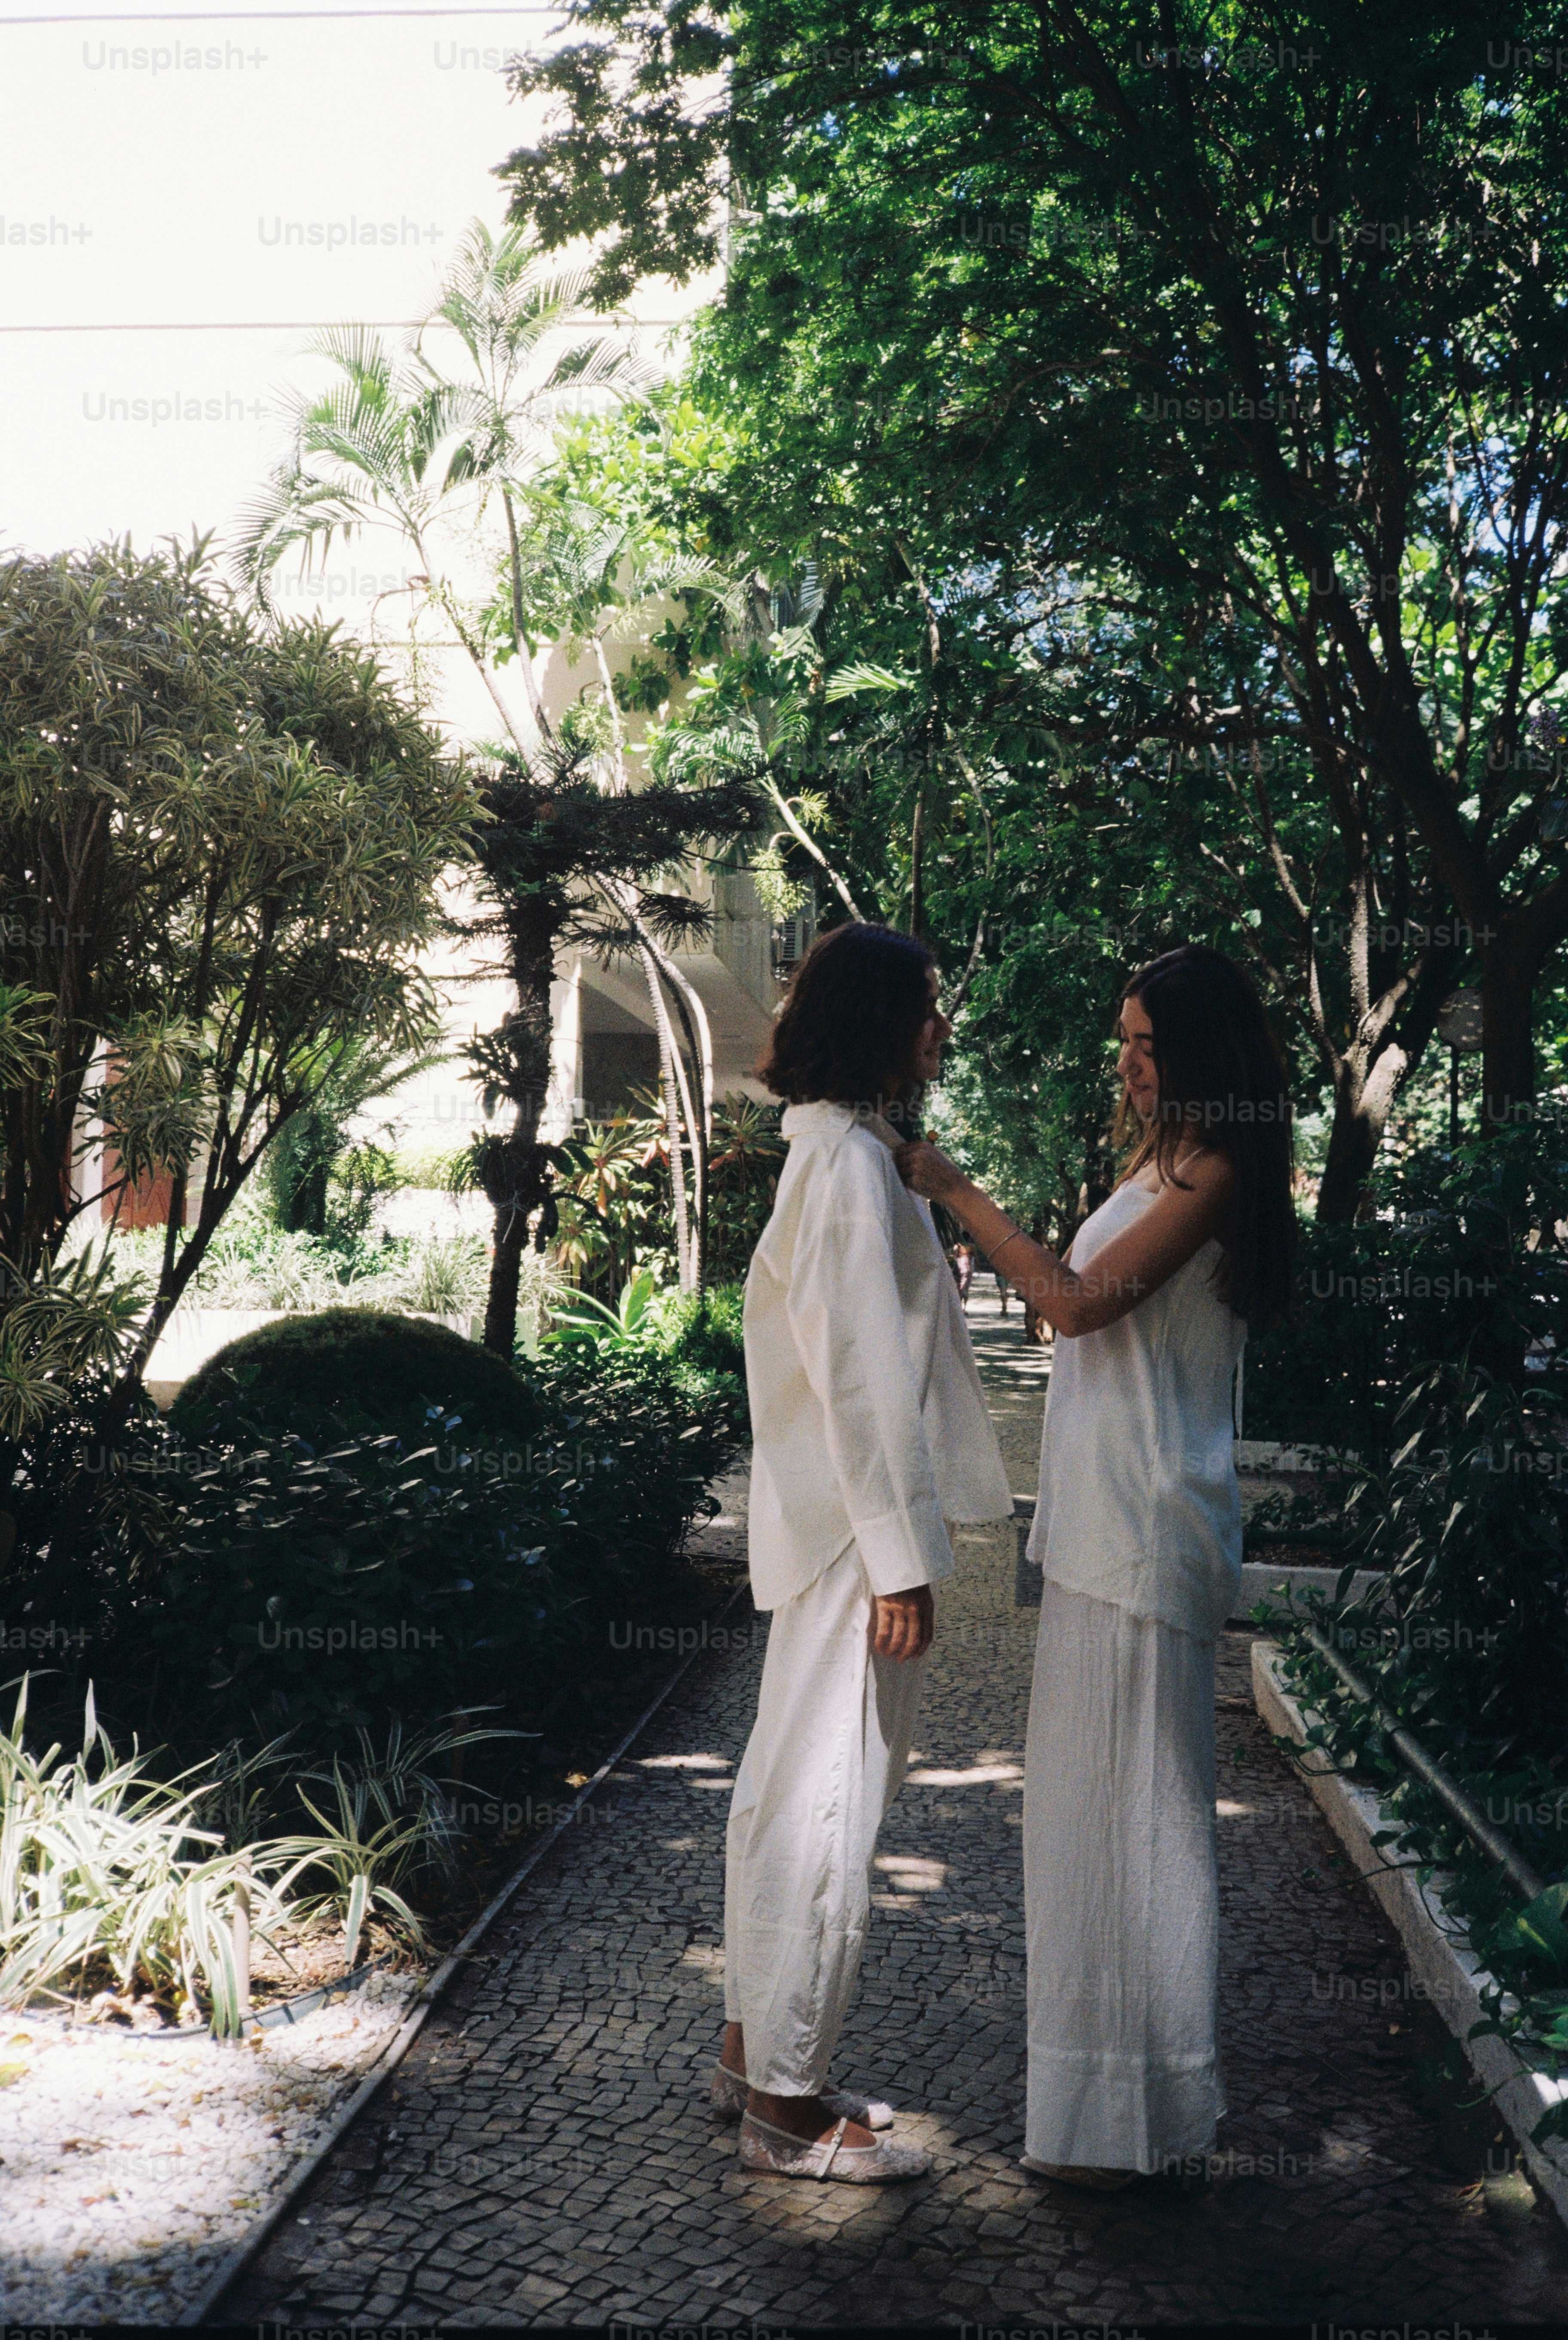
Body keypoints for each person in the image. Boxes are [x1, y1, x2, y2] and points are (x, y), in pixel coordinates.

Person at [896, 944, 1295, 2191]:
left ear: (1201, 1053)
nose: (1125, 1062)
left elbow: (1074, 1306)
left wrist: (958, 1191)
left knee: (1137, 1823)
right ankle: (1089, 2110)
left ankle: (1134, 2115)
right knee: (1080, 1820)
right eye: (1120, 1039)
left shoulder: (1217, 1171)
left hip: (1145, 1527)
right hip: (1095, 1528)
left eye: (1145, 1042)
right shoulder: (1156, 1159)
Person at [714, 921, 1013, 2184]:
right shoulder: (842, 1167)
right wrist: (899, 1557)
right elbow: (852, 1371)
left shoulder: (846, 1153)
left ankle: (754, 2055)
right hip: (852, 1536)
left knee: (788, 1791)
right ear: (878, 1020)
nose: (939, 1028)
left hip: (836, 1524)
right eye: (926, 1007)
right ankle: (784, 2111)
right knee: (830, 1803)